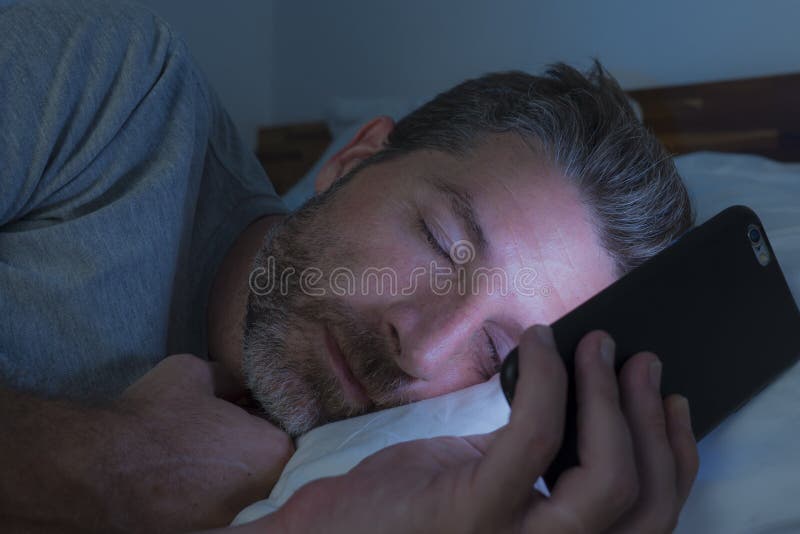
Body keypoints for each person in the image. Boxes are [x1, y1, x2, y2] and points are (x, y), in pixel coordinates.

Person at [0, 0, 698, 532]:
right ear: (352, 162)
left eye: (495, 356)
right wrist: (109, 469)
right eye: (437, 237)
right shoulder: (112, 92)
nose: (420, 347)